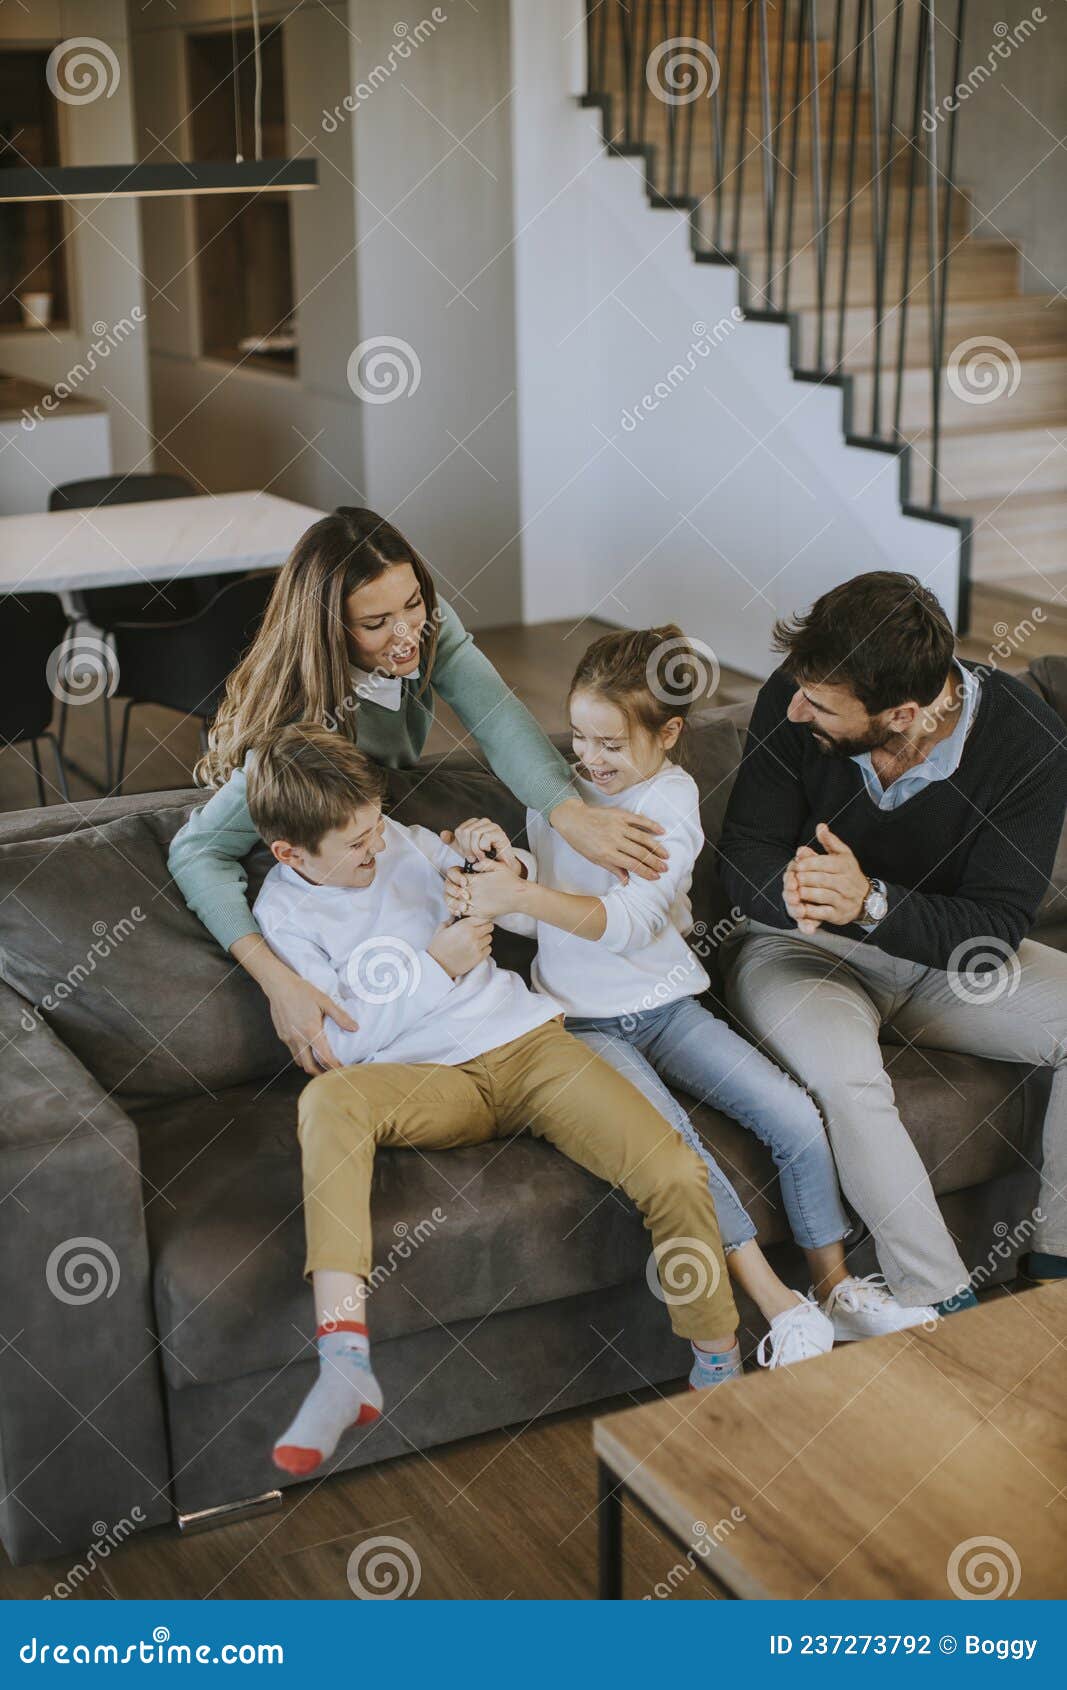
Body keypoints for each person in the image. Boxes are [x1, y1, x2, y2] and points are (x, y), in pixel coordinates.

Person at [246, 724, 743, 1478]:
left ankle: (715, 1363)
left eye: (376, 827)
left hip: (527, 1045)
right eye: (354, 846)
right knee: (328, 1102)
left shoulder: (403, 841)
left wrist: (493, 855)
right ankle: (344, 1364)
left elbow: (494, 889)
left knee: (673, 1171)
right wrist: (432, 968)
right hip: (430, 1082)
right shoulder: (282, 918)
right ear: (291, 854)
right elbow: (336, 1048)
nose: (377, 850)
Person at [444, 625, 935, 1360]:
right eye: (579, 736)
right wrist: (493, 872)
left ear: (667, 733)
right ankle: (778, 1307)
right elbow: (532, 910)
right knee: (682, 1152)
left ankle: (835, 1292)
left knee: (795, 1118)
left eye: (610, 744)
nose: (589, 758)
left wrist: (521, 891)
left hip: (669, 1006)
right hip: (583, 1025)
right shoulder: (553, 792)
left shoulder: (671, 799)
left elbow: (627, 924)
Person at [168, 507, 669, 1076]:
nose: (406, 635)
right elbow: (196, 850)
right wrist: (276, 980)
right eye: (377, 622)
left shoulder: (423, 625)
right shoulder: (296, 732)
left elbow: (497, 718)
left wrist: (569, 813)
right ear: (332, 630)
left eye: (413, 604)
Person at [715, 570, 1067, 1312]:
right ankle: (939, 1304)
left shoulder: (1028, 741)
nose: (795, 706)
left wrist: (871, 901)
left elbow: (995, 926)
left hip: (941, 962)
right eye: (801, 688)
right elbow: (744, 849)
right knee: (846, 1081)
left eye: (821, 705)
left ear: (902, 713)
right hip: (799, 947)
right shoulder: (795, 694)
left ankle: (1056, 1276)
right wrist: (799, 892)